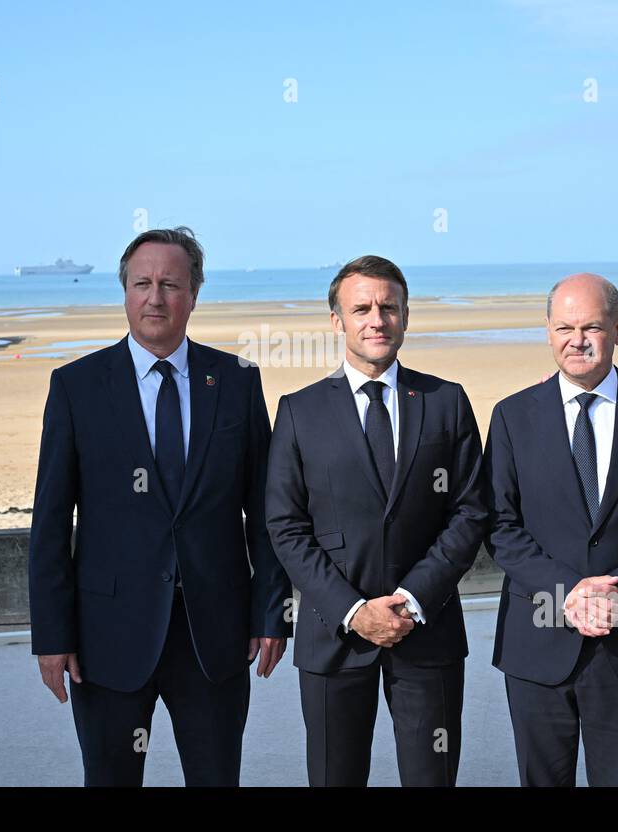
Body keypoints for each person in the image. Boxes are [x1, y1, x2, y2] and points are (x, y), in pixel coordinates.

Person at [28, 227, 291, 786]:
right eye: (142, 283)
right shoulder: (76, 386)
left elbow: (264, 513)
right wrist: (52, 635)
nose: (155, 297)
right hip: (107, 638)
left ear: (193, 294)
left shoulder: (239, 382)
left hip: (214, 636)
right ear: (124, 292)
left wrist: (272, 613)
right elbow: (50, 521)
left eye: (170, 284)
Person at [265, 255, 488, 786]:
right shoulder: (299, 411)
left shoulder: (446, 402)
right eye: (361, 308)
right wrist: (353, 610)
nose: (376, 319)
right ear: (337, 321)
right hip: (333, 638)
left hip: (426, 632)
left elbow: (470, 510)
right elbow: (285, 524)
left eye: (389, 307)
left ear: (406, 317)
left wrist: (411, 599)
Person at [484, 272, 618, 786]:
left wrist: (617, 591)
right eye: (563, 327)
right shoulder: (512, 416)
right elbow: (499, 523)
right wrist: (568, 594)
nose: (576, 340)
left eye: (591, 327)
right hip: (537, 641)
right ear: (547, 330)